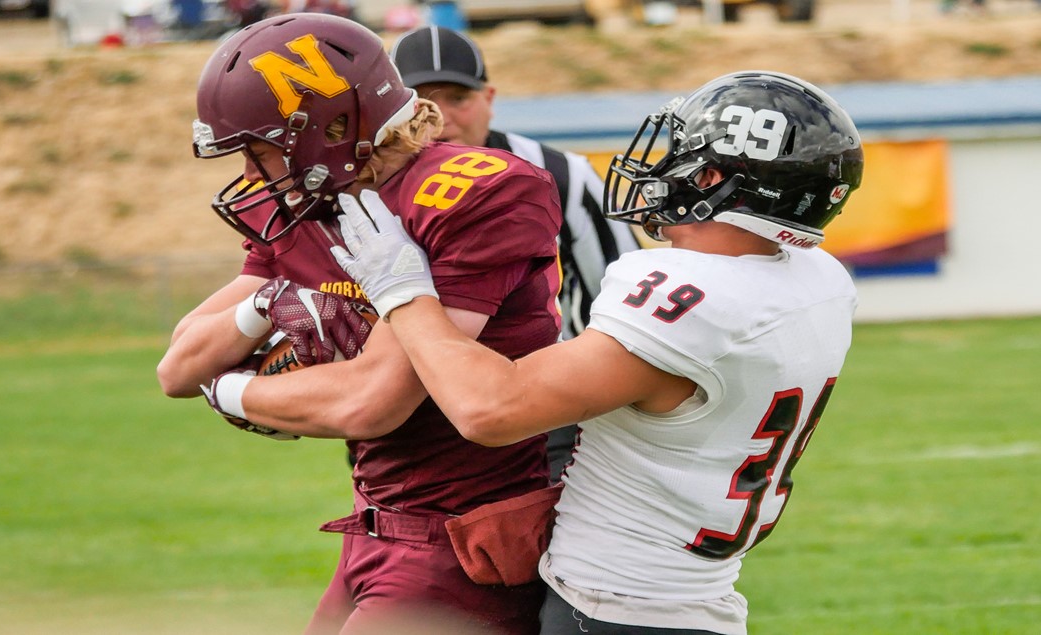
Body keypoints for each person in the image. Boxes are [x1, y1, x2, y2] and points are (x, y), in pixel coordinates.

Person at [332, 70, 865, 635]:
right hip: (692, 598)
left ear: (717, 180)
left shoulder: (693, 297)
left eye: (685, 158)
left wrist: (404, 292)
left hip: (614, 608)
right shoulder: (820, 280)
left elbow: (488, 409)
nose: (664, 170)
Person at [156, 14, 564, 635]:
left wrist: (234, 392)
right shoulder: (313, 204)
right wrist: (267, 302)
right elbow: (177, 369)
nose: (250, 173)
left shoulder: (476, 193)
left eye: (260, 149)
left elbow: (373, 402)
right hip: (371, 525)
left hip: (467, 534)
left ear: (334, 127)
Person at [389, 24, 642, 482]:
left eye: (457, 98)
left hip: (541, 411)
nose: (440, 116)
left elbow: (619, 294)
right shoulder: (367, 187)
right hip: (405, 411)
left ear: (489, 96)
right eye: (419, 100)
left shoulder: (564, 175)